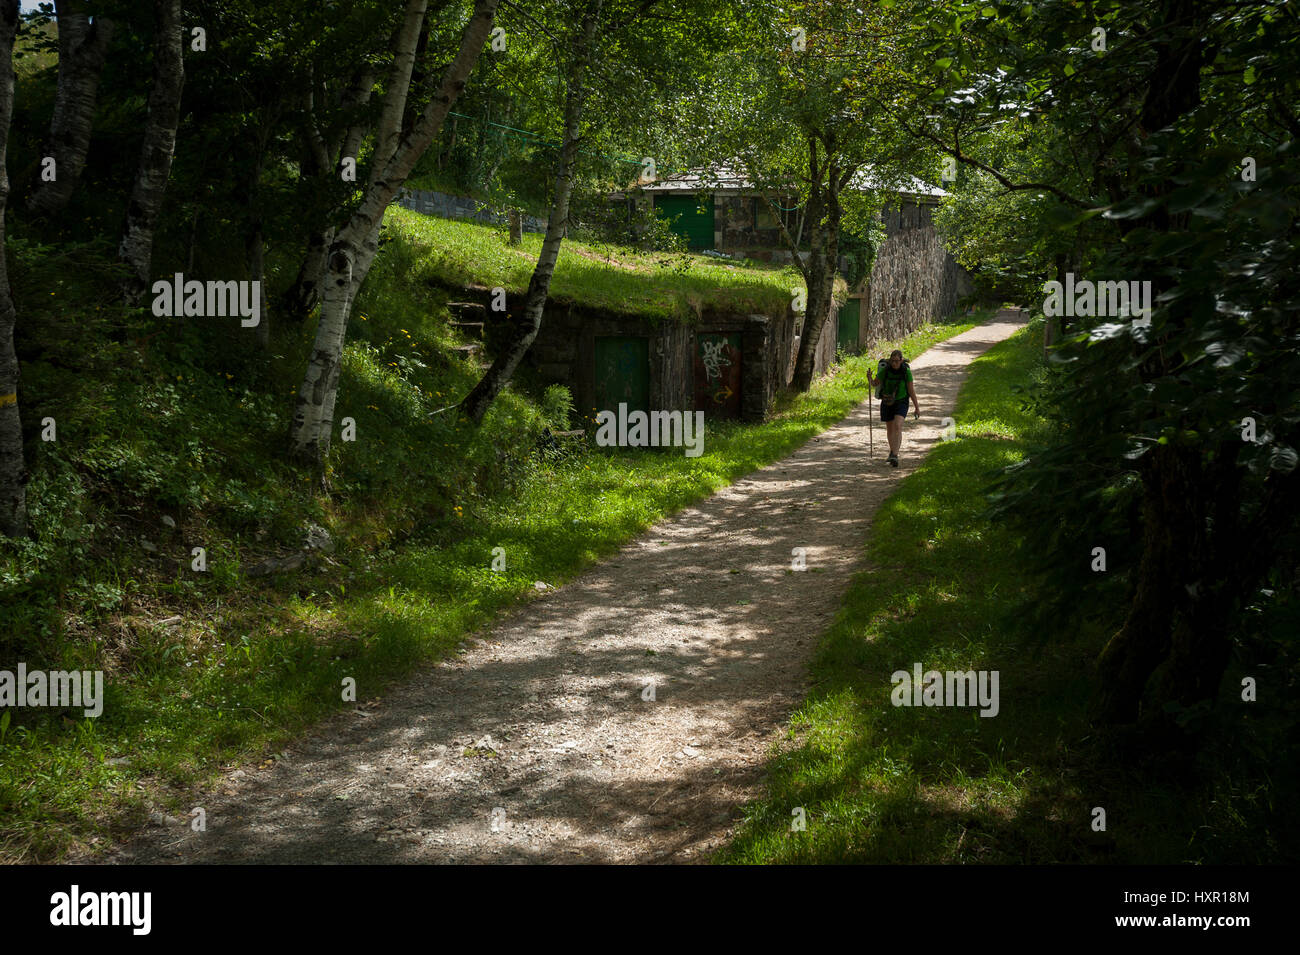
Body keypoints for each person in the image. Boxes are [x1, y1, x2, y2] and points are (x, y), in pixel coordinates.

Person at [866, 349, 921, 467]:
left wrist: (916, 407)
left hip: (902, 401)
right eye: (892, 361)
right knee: (890, 429)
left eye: (897, 361)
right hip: (887, 401)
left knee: (898, 426)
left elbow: (911, 390)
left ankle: (895, 455)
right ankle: (892, 451)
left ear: (901, 361)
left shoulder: (906, 372)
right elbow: (875, 384)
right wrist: (870, 379)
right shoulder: (885, 371)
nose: (894, 363)